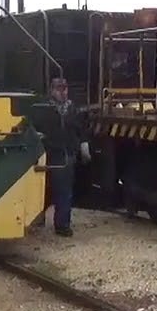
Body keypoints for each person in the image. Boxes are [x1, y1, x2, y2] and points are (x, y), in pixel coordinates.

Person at [42, 77, 90, 236]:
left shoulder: (72, 109)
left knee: (64, 191)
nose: (62, 92)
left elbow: (81, 129)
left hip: (67, 154)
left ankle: (62, 225)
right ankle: (38, 218)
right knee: (45, 189)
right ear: (52, 90)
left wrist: (84, 145)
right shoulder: (45, 108)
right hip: (50, 153)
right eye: (58, 89)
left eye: (64, 89)